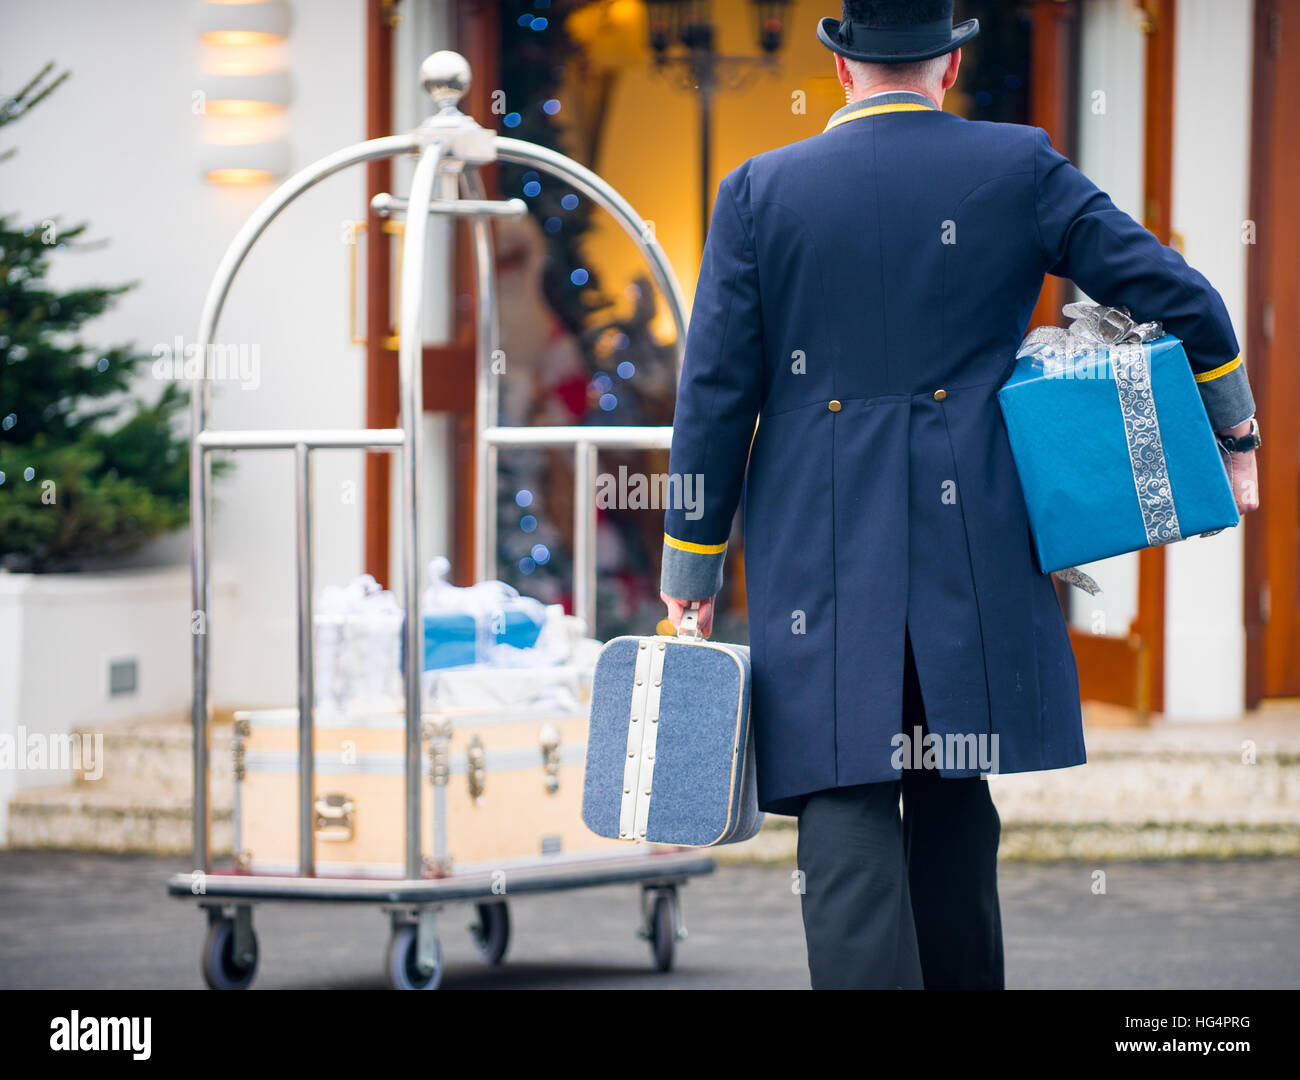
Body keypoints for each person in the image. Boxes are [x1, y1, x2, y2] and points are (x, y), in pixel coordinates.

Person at [658, 0, 1260, 990]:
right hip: (970, 528)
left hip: (818, 543)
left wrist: (693, 562)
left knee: (844, 799)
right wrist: (1232, 431)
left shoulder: (758, 191)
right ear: (947, 63)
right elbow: (1183, 298)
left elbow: (715, 395)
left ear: (843, 70)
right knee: (951, 792)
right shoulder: (1019, 167)